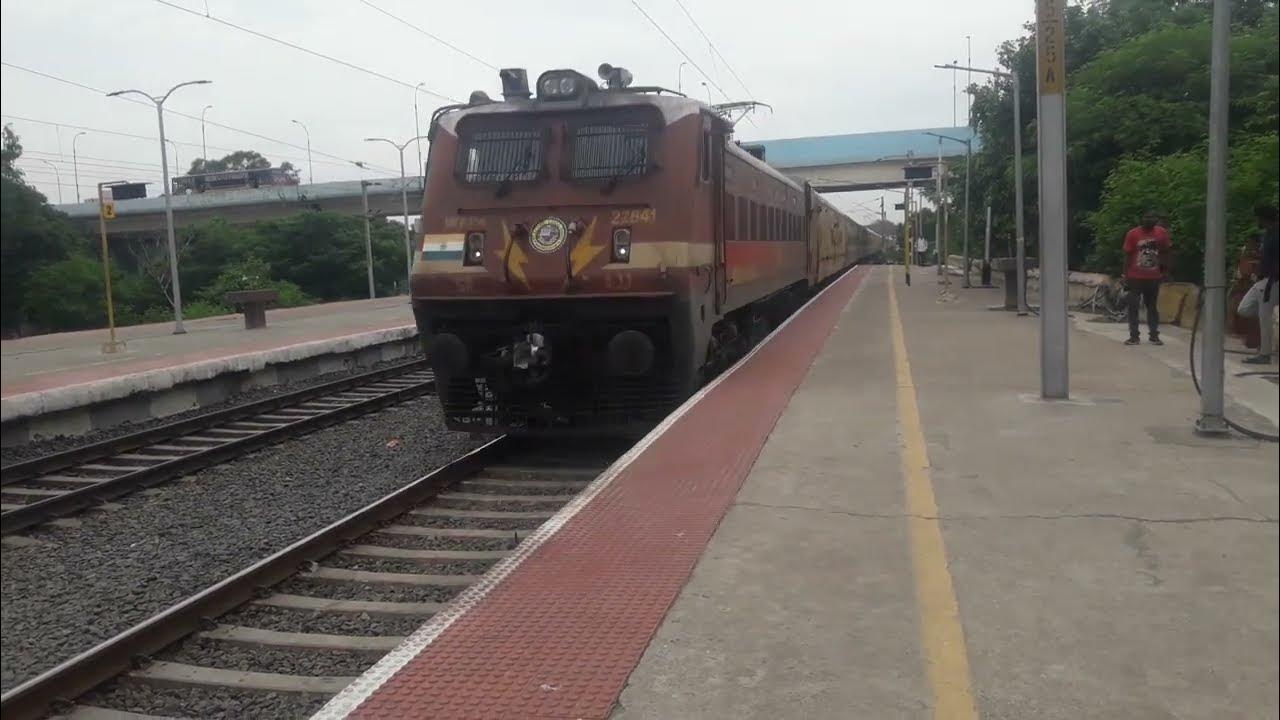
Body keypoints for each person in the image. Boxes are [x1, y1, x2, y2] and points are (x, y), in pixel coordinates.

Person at [1122, 211, 1172, 346]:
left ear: (1157, 219)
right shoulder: (1133, 234)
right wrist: (1125, 275)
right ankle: (1134, 336)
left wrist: (1165, 270)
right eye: (1147, 217)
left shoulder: (1162, 233)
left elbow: (1166, 252)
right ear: (1142, 218)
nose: (1150, 220)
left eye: (1153, 217)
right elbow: (1127, 255)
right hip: (1135, 277)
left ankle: (1154, 336)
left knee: (1152, 307)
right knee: (1133, 306)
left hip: (1153, 276)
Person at [1243, 204, 1278, 364]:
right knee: (1244, 308)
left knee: (1265, 317)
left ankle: (1264, 354)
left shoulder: (1276, 234)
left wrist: (1273, 275)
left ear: (1264, 218)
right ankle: (1265, 347)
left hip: (1272, 281)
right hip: (1263, 280)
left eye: (1258, 217)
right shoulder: (1268, 234)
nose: (1256, 221)